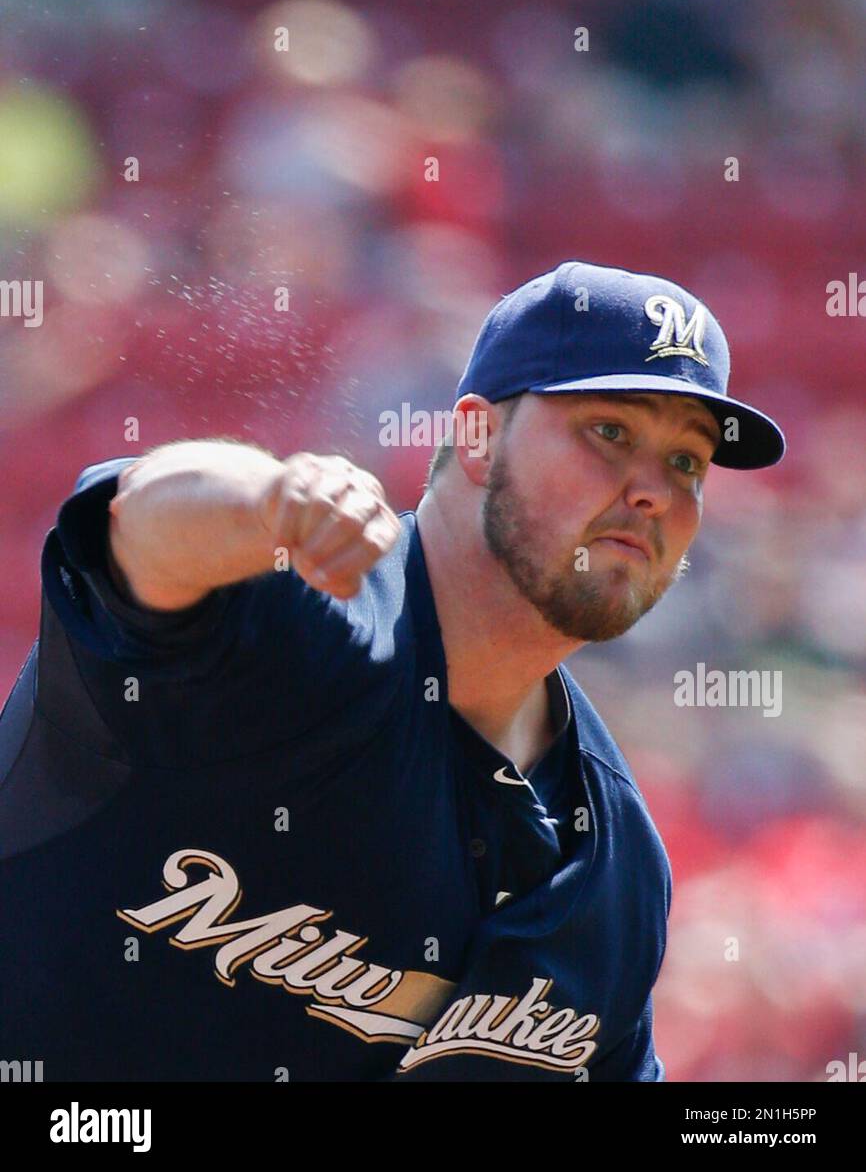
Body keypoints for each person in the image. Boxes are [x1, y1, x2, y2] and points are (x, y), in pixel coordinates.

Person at [0, 260, 785, 1082]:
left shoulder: (614, 870)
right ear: (478, 436)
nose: (655, 490)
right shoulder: (293, 622)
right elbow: (143, 522)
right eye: (611, 432)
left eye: (689, 463)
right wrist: (269, 500)